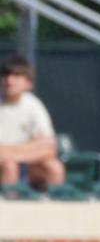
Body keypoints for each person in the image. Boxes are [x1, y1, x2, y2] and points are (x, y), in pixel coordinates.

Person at [0, 56, 66, 190]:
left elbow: (49, 147)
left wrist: (12, 153)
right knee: (9, 166)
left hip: (28, 167)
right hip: (8, 166)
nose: (10, 80)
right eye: (6, 75)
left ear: (29, 83)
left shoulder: (33, 105)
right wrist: (26, 151)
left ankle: (55, 207)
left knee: (54, 167)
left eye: (17, 76)